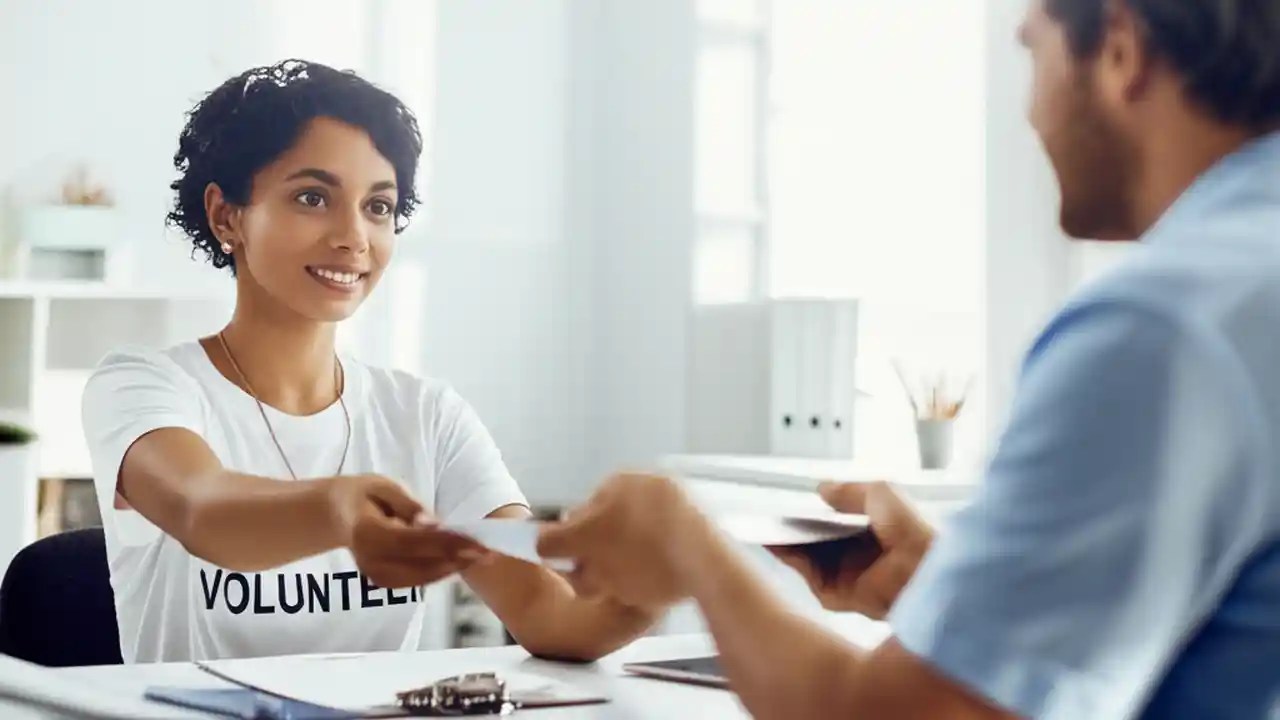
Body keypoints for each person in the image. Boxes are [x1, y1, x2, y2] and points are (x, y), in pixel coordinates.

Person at [538, 1, 1280, 717]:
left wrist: (686, 545)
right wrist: (947, 589)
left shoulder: (1160, 328)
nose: (1029, 113)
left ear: (1119, 49)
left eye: (1033, 52)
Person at [80, 59, 662, 663]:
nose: (354, 236)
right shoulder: (141, 385)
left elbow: (550, 615)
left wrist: (650, 585)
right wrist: (338, 510)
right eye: (313, 197)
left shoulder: (427, 416)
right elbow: (202, 509)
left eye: (378, 207)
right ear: (227, 216)